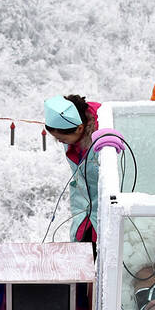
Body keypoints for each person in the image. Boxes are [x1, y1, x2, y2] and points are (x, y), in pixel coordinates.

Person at [44, 94, 101, 244]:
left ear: (80, 128)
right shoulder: (73, 130)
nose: (60, 142)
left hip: (104, 208)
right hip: (84, 206)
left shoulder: (103, 139)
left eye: (62, 139)